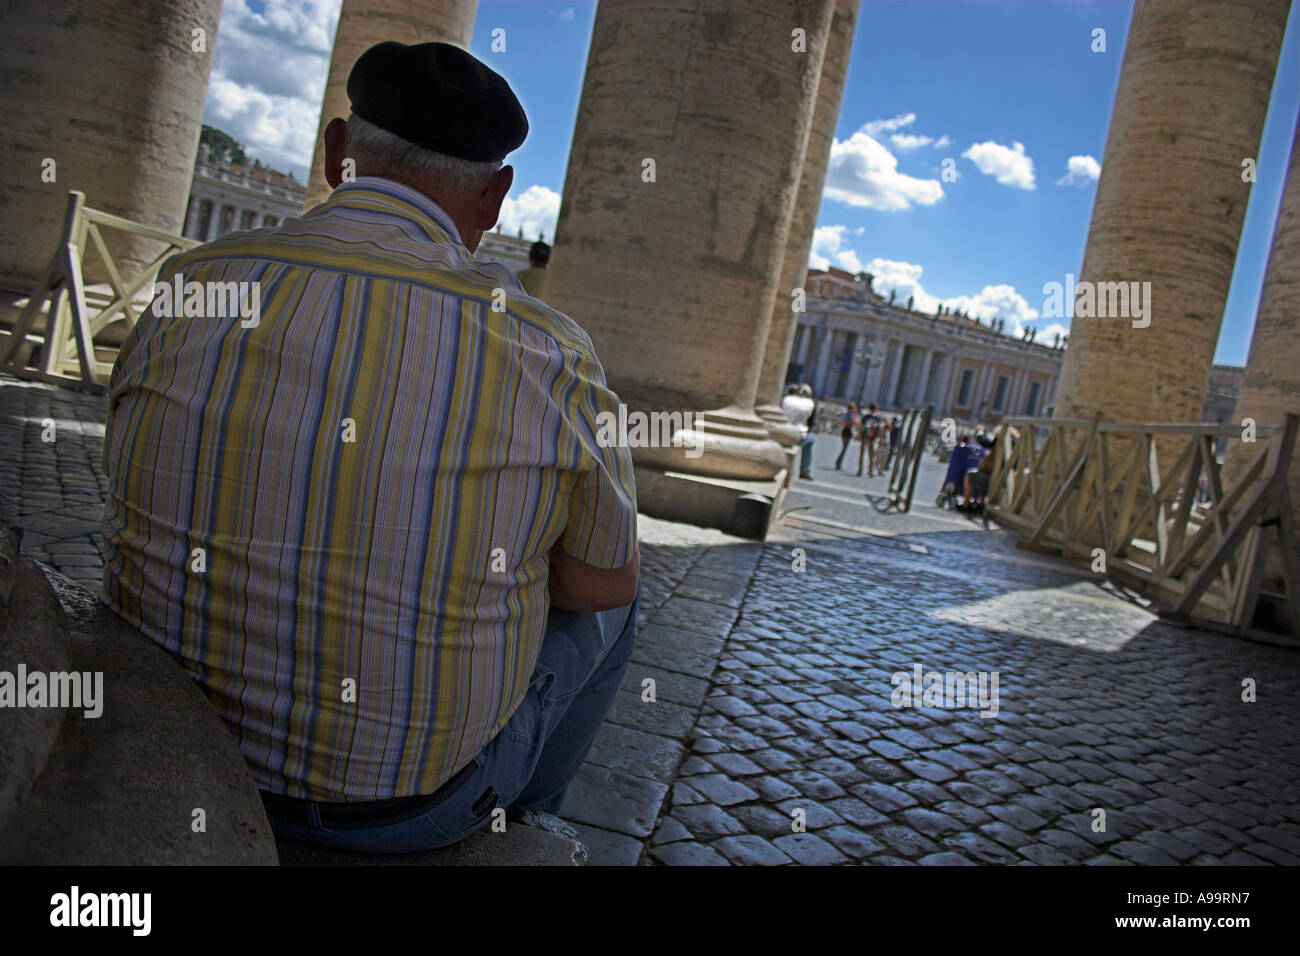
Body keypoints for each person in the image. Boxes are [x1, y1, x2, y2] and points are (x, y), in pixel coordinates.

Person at [99, 41, 640, 854]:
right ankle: (525, 821)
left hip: (157, 752)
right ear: (494, 198)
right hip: (396, 811)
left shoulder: (193, 282)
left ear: (334, 152)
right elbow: (601, 583)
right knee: (620, 607)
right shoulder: (548, 350)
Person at [781, 383, 816, 480]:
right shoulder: (811, 403)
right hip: (800, 434)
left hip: (783, 430)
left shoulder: (786, 399)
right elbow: (811, 424)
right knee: (810, 440)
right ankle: (805, 470)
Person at [834, 401, 860, 470]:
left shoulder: (849, 414)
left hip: (846, 432)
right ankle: (838, 463)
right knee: (844, 449)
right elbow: (854, 422)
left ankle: (838, 463)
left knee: (844, 449)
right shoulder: (850, 415)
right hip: (847, 432)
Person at [857, 403, 879, 477]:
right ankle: (869, 472)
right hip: (870, 438)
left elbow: (860, 426)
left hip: (867, 437)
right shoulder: (876, 418)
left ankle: (861, 470)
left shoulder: (866, 417)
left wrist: (859, 435)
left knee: (864, 455)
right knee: (869, 455)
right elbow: (878, 429)